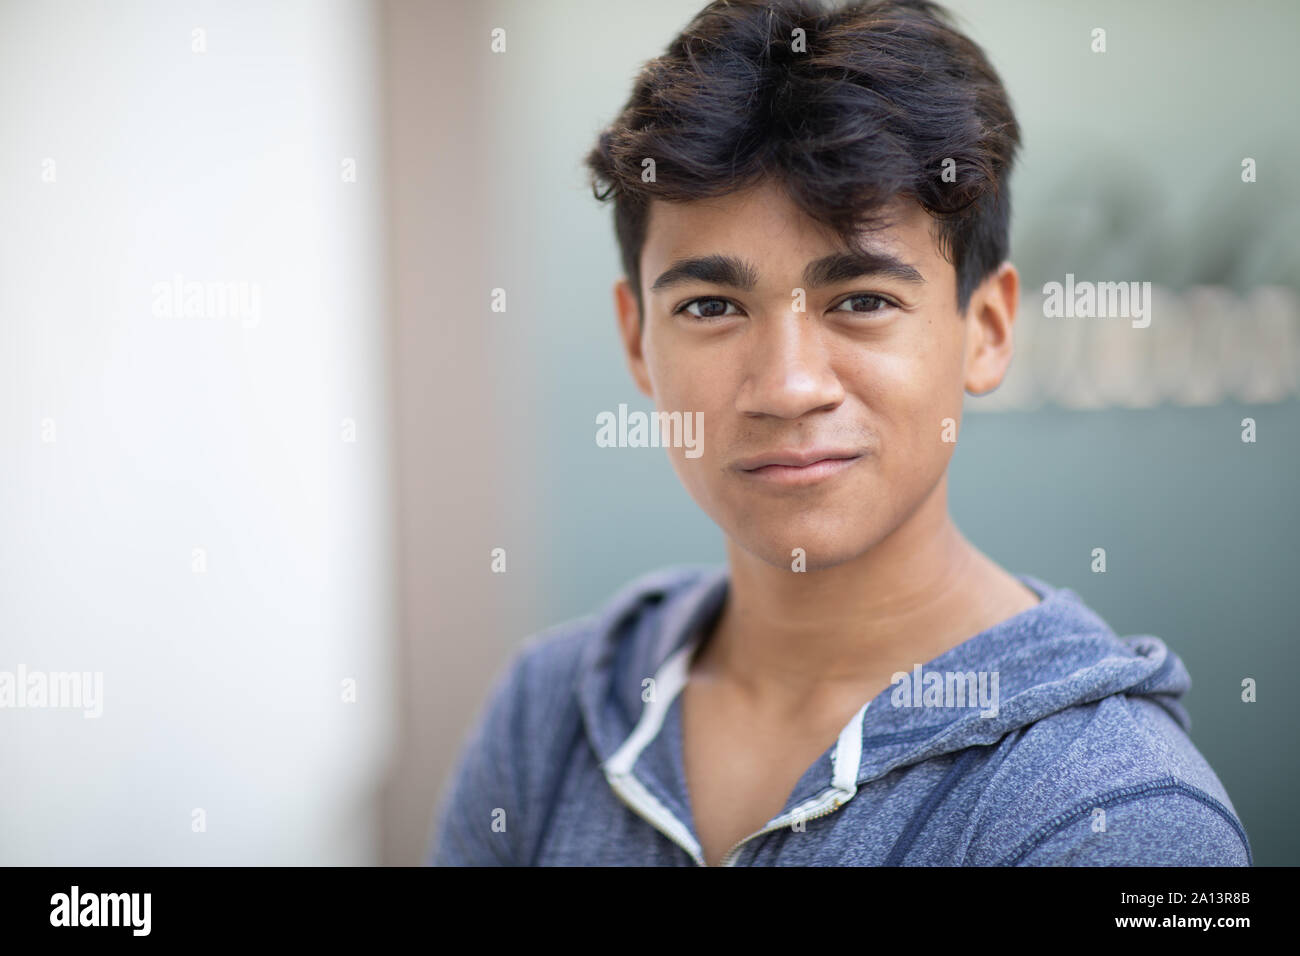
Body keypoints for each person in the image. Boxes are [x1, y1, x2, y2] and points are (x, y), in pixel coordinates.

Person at [429, 0, 1250, 866]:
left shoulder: (1112, 815)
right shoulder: (549, 716)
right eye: (711, 306)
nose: (787, 387)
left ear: (991, 328)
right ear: (637, 338)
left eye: (862, 302)